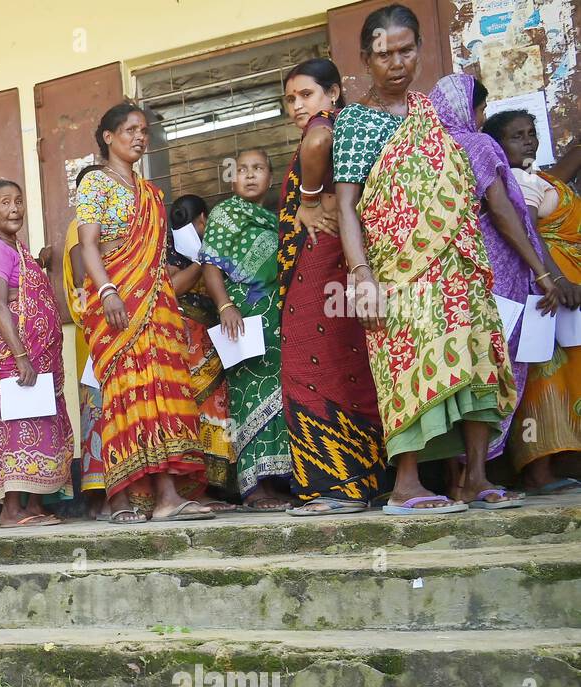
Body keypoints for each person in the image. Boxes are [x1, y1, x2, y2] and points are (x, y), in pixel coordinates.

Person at [333, 4, 518, 514]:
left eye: (406, 50)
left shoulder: (429, 113)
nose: (397, 62)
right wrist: (362, 277)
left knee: (476, 355)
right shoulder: (354, 123)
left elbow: (455, 184)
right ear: (366, 59)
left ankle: (474, 478)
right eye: (384, 53)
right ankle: (407, 484)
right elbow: (347, 205)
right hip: (398, 270)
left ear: (419, 50)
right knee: (405, 366)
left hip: (457, 262)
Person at [430, 74, 580, 467]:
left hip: (451, 281)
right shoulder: (478, 147)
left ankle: (463, 475)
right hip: (497, 279)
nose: (480, 118)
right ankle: (481, 472)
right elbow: (509, 216)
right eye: (480, 109)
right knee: (496, 370)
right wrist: (546, 275)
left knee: (463, 372)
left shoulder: (427, 150)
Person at [74, 102, 213, 523]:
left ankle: (166, 495)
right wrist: (110, 291)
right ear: (108, 137)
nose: (139, 137)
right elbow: (88, 245)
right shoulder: (95, 185)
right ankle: (127, 498)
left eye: (144, 130)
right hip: (117, 307)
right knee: (126, 396)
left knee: (162, 392)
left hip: (156, 310)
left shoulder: (151, 193)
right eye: (130, 129)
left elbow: (157, 262)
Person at [275, 59, 387, 515]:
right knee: (347, 362)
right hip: (334, 266)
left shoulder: (324, 129)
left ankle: (333, 487)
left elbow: (318, 138)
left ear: (334, 94)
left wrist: (307, 200)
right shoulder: (351, 130)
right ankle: (363, 479)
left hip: (318, 265)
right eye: (291, 99)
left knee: (309, 367)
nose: (299, 106)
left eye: (307, 94)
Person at [484, 110, 581, 494]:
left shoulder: (537, 176)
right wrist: (554, 277)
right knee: (544, 377)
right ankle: (538, 470)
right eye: (516, 136)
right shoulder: (519, 183)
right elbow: (531, 231)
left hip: (557, 286)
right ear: (497, 145)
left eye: (531, 132)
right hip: (544, 290)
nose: (528, 140)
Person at [0, 179, 73, 527]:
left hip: (35, 359)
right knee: (19, 428)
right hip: (17, 360)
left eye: (19, 201)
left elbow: (21, 291)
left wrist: (39, 264)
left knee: (38, 424)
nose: (15, 209)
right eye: (5, 203)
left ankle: (33, 506)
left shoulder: (12, 247)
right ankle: (12, 510)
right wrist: (21, 356)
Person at [199, 148, 295, 511]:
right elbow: (210, 266)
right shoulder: (226, 214)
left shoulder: (276, 220)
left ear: (270, 178)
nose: (251, 175)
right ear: (232, 177)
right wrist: (225, 306)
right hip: (240, 322)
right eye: (243, 169)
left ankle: (276, 481)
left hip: (276, 323)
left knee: (279, 398)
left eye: (258, 169)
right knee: (248, 397)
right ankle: (253, 488)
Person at [167, 195, 239, 507]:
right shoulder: (173, 252)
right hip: (186, 343)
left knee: (219, 408)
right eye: (196, 222)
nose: (201, 226)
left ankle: (221, 485)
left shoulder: (222, 245)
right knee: (194, 409)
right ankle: (197, 490)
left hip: (218, 338)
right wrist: (200, 261)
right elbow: (173, 288)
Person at [61, 167, 110, 519]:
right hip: (95, 326)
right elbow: (83, 278)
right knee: (97, 406)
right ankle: (98, 494)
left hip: (104, 324)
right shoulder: (82, 228)